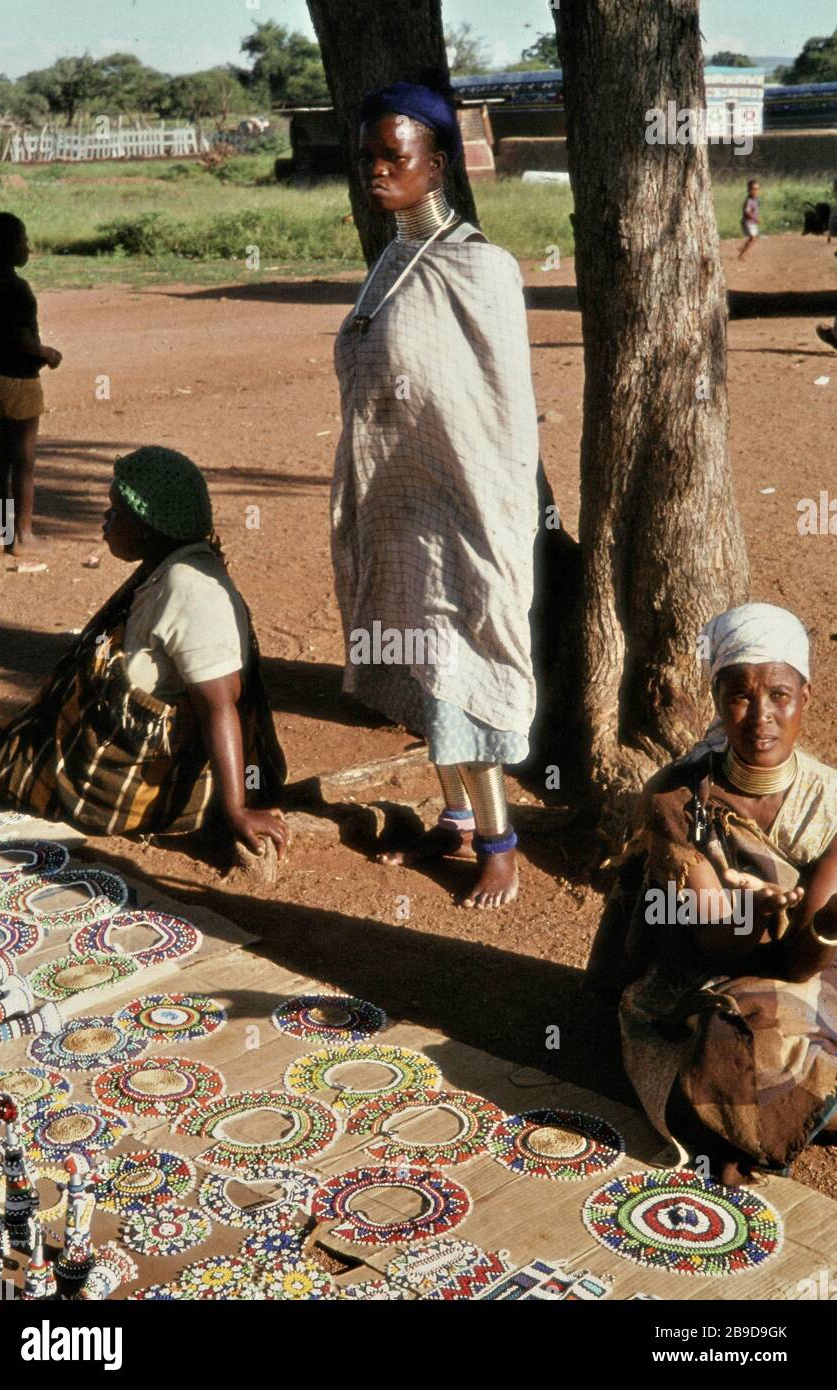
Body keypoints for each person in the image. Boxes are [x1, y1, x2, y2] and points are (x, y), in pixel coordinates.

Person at [331, 81, 540, 909]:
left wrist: (485, 504)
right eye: (369, 158)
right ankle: (454, 815)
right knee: (424, 665)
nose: (378, 171)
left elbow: (499, 408)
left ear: (438, 164)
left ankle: (501, 843)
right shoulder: (392, 259)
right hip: (400, 505)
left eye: (396, 156)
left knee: (463, 662)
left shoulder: (482, 268)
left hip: (465, 509)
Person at [589, 603, 837, 1184]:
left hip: (811, 967)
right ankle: (764, 1111)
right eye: (740, 696)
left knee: (778, 1029)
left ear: (806, 696)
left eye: (779, 695)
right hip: (708, 971)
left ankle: (771, 1110)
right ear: (717, 699)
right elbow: (718, 942)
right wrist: (759, 913)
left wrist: (818, 923)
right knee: (730, 1039)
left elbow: (807, 954)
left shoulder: (829, 801)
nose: (760, 717)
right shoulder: (681, 799)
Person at [0, 446, 288, 856]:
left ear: (149, 525)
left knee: (16, 768)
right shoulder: (165, 568)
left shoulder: (191, 591)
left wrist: (235, 809)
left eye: (116, 513)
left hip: (152, 778)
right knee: (17, 748)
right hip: (146, 739)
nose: (104, 521)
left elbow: (221, 706)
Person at [0, 212, 62, 553]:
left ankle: (1, 535)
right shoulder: (18, 289)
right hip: (20, 380)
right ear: (11, 247)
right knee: (23, 459)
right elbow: (23, 340)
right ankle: (24, 537)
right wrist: (48, 353)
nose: (28, 247)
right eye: (24, 240)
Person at [738, 179, 760, 260]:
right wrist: (755, 218)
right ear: (749, 190)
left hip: (752, 222)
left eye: (757, 189)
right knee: (753, 238)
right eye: (754, 189)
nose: (756, 191)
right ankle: (742, 254)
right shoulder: (749, 201)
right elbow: (746, 211)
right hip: (748, 222)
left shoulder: (755, 199)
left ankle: (744, 248)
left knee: (754, 237)